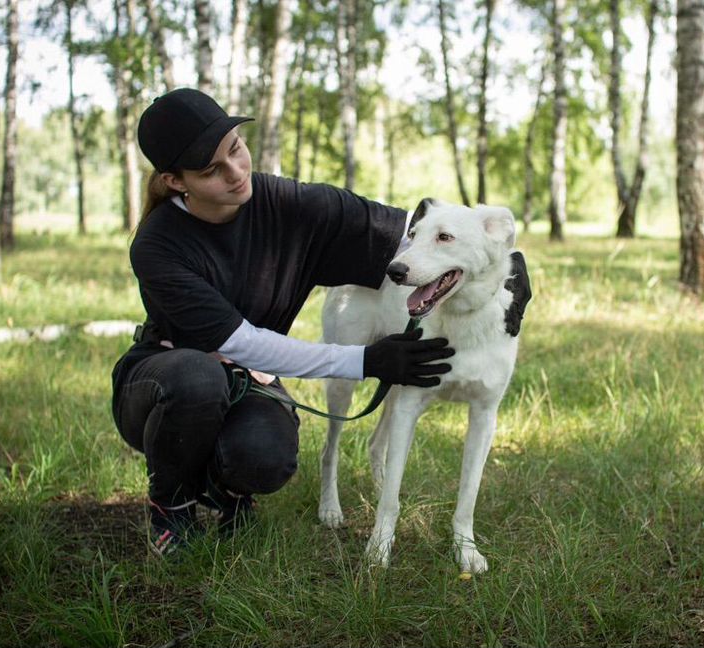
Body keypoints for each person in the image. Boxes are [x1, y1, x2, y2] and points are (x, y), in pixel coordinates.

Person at [111, 88, 531, 557]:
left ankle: (228, 489)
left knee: (268, 457)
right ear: (174, 181)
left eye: (236, 148)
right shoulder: (158, 246)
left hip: (247, 379)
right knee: (197, 377)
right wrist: (367, 359)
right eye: (212, 170)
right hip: (163, 384)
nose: (236, 172)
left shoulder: (288, 204)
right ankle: (171, 503)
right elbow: (242, 342)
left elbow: (418, 229)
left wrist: (505, 268)